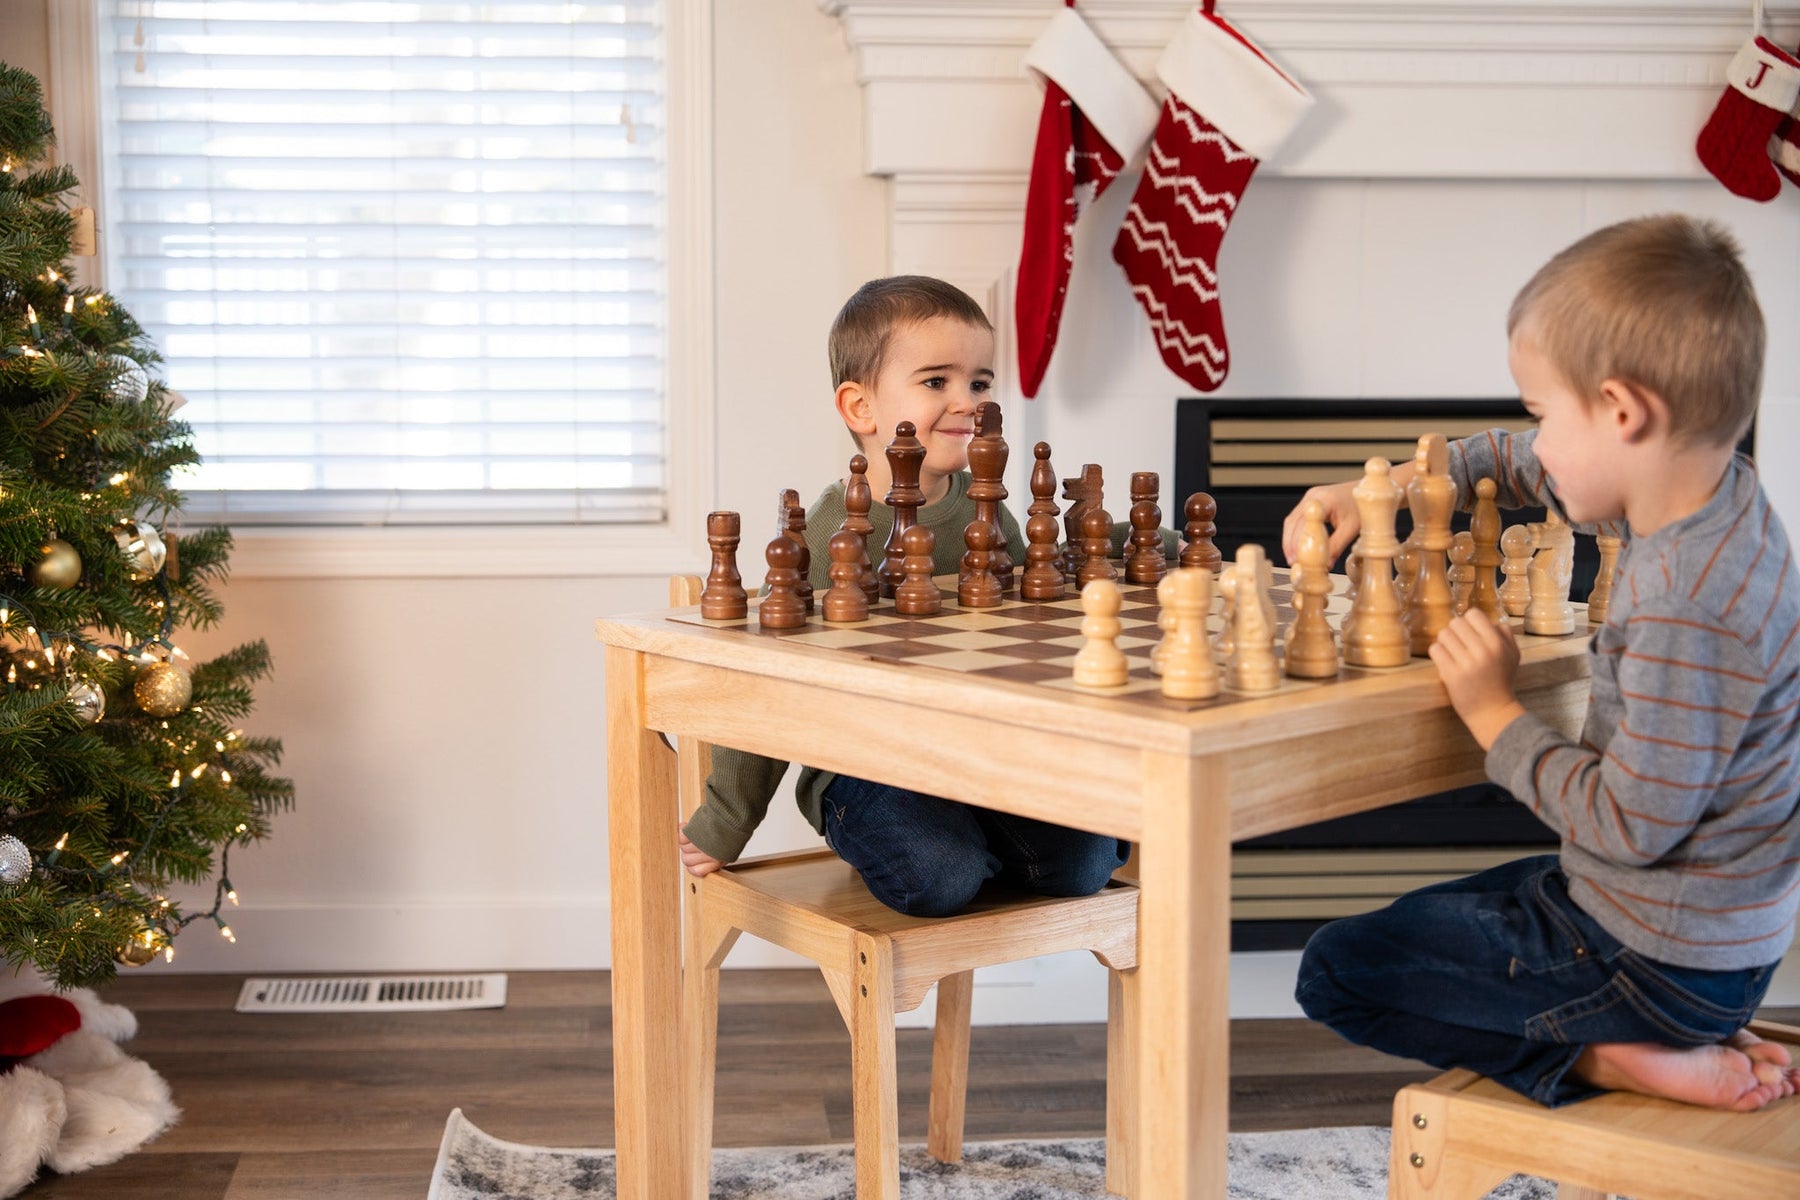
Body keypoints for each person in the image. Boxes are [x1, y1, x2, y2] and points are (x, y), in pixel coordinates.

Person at [1280, 214, 1800, 1112]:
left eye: (1543, 413)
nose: (1537, 439)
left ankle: (1620, 1054)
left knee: (1339, 969)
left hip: (1656, 959)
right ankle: (1673, 1027)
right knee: (1427, 920)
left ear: (1623, 412)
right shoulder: (1710, 502)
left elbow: (1629, 827)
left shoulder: (1690, 603)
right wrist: (1383, 490)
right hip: (1700, 942)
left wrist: (1494, 711)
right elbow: (1528, 469)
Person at [678, 275, 1129, 916]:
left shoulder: (989, 508)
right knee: (941, 875)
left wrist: (1135, 541)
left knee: (1086, 862)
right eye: (937, 381)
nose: (968, 402)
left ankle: (973, 845)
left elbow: (1045, 578)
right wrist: (726, 819)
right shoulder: (826, 534)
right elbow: (764, 687)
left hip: (975, 755)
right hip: (865, 766)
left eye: (980, 383)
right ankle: (950, 850)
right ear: (861, 407)